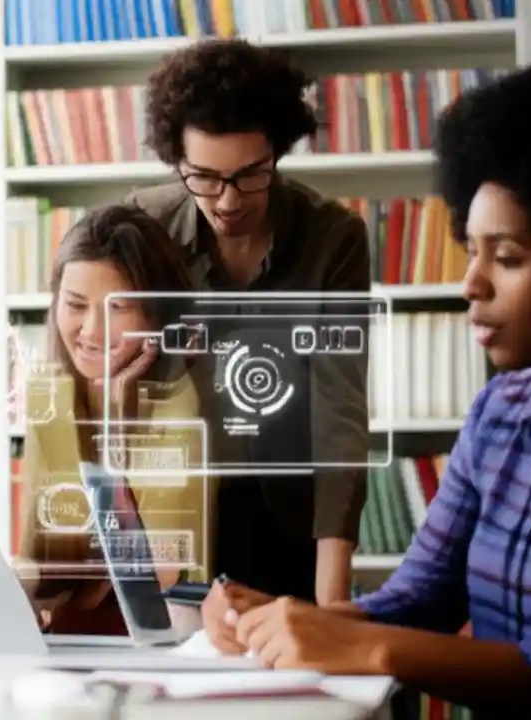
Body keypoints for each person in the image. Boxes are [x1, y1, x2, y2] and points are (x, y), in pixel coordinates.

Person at [205, 59, 531, 713]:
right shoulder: (500, 413)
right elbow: (419, 598)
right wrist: (291, 619)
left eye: (506, 258)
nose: (469, 284)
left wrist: (362, 648)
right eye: (469, 249)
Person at [126, 38, 369, 607]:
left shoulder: (332, 237)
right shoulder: (143, 226)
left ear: (278, 153)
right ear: (176, 160)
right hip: (173, 504)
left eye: (250, 174)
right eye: (203, 177)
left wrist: (331, 599)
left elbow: (340, 410)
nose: (227, 200)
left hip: (288, 513)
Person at [15, 205, 209, 635]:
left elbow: (161, 573)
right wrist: (13, 578)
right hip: (77, 626)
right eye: (75, 305)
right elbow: (40, 550)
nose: (91, 330)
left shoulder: (180, 399)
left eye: (117, 307)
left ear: (155, 314)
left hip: (166, 627)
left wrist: (118, 419)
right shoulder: (50, 391)